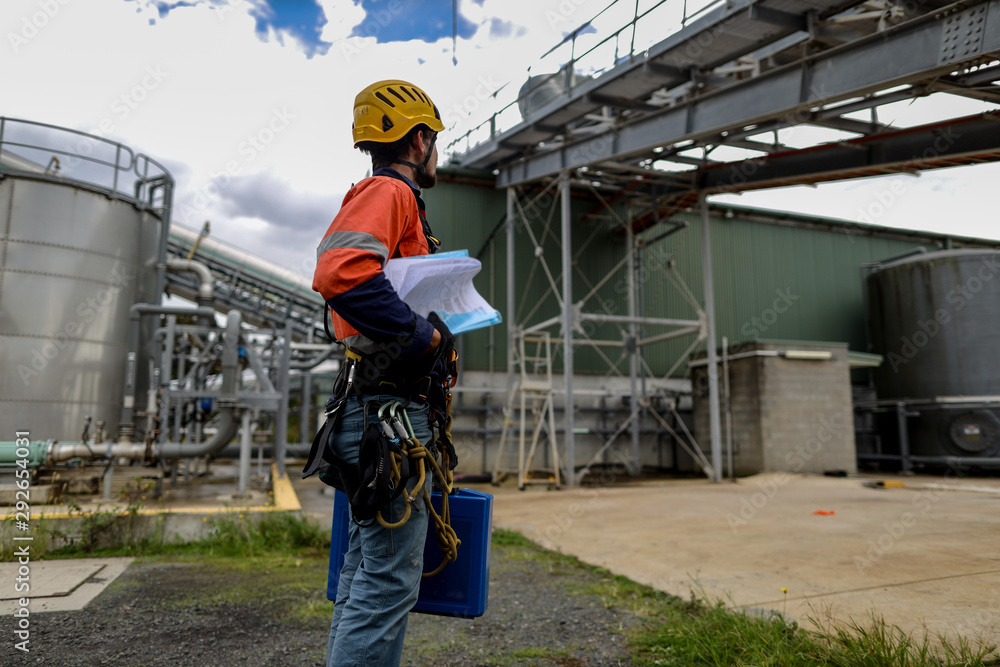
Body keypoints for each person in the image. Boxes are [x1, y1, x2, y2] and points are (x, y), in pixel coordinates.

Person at [311, 79, 450, 667]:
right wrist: (423, 337)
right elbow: (340, 271)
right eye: (434, 139)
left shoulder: (390, 199)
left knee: (365, 574)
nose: (435, 150)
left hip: (372, 413)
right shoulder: (390, 191)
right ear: (419, 141)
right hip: (386, 417)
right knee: (386, 583)